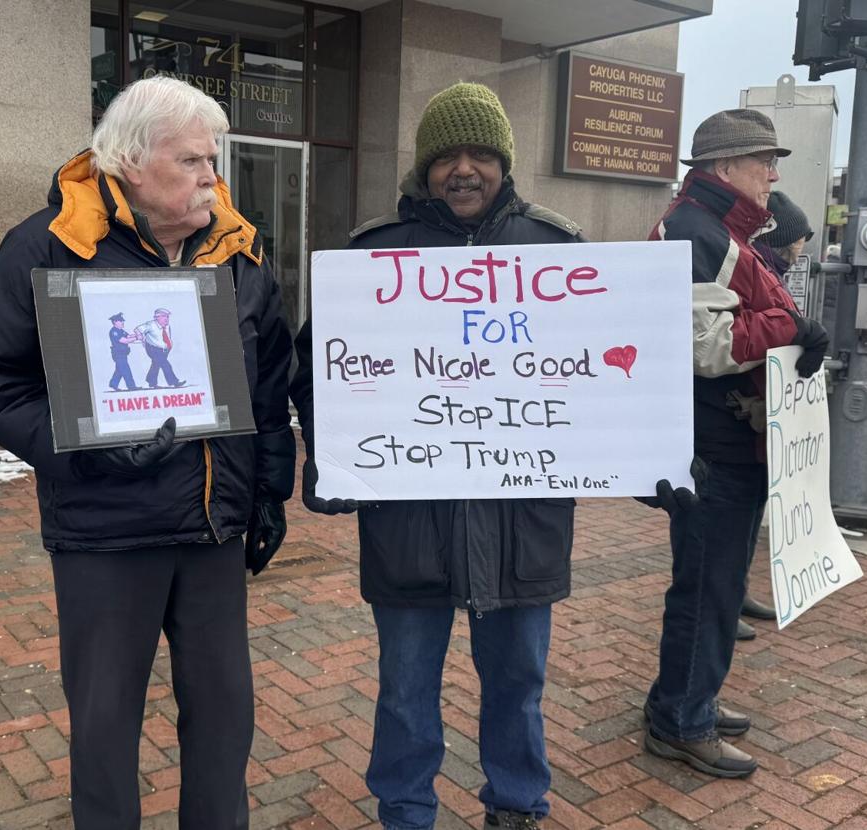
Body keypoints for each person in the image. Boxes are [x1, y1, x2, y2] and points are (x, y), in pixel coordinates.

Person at [0, 76, 294, 829]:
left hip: (213, 528)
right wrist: (85, 452)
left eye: (214, 159)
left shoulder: (237, 249)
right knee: (106, 728)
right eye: (194, 162)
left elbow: (270, 384)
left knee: (223, 717)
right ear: (133, 163)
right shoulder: (47, 245)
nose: (213, 176)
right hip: (105, 533)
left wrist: (271, 491)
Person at [293, 81, 608, 830]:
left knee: (519, 679)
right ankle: (405, 809)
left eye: (480, 155)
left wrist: (658, 460)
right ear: (424, 168)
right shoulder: (375, 255)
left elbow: (605, 378)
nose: (462, 171)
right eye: (446, 157)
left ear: (504, 162)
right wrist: (328, 455)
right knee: (405, 684)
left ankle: (518, 803)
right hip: (409, 520)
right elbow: (318, 371)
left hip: (522, 516)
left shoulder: (558, 252)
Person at [639, 109, 830, 778]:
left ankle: (687, 697)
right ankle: (681, 721)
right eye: (764, 162)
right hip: (715, 443)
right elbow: (706, 347)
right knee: (707, 588)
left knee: (712, 587)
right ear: (725, 169)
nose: (773, 175)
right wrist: (787, 324)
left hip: (723, 440)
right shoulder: (699, 234)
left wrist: (785, 327)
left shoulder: (711, 231)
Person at [734, 190, 817, 639]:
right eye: (800, 238)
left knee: (750, 514)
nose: (803, 247)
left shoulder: (771, 270)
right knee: (731, 525)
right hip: (748, 409)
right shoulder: (757, 269)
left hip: (765, 412)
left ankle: (737, 591)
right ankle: (727, 603)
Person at [135, 306, 184, 388]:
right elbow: (138, 329)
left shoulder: (167, 326)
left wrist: (169, 346)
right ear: (157, 317)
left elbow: (167, 337)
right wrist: (140, 336)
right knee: (165, 364)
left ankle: (151, 381)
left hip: (164, 350)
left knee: (156, 364)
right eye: (164, 316)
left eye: (167, 316)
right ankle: (174, 382)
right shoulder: (150, 325)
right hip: (153, 348)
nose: (166, 319)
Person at [107, 312, 138, 391]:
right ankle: (131, 386)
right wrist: (137, 338)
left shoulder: (121, 331)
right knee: (125, 369)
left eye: (122, 321)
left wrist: (138, 335)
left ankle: (113, 384)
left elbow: (128, 336)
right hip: (118, 354)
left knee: (119, 370)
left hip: (123, 354)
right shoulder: (114, 331)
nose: (122, 322)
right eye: (120, 321)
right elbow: (124, 340)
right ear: (115, 322)